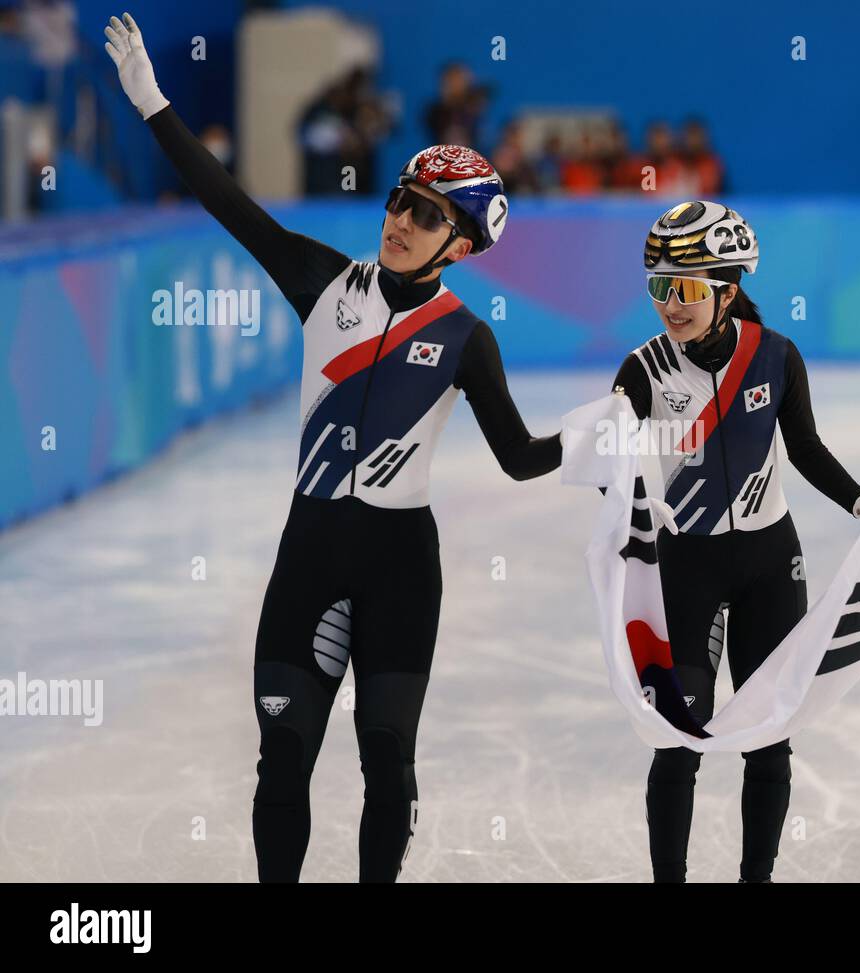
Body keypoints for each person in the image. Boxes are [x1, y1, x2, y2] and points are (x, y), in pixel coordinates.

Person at [105, 13, 560, 882]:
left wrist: (606, 438)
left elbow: (519, 457)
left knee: (386, 760)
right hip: (309, 551)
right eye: (399, 198)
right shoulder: (323, 281)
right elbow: (230, 205)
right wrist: (156, 106)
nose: (400, 219)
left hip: (399, 564)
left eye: (426, 215)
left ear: (459, 246)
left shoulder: (467, 338)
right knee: (283, 757)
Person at [614, 200, 860, 882]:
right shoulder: (642, 371)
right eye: (659, 288)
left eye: (687, 290)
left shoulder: (777, 357)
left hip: (770, 562)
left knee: (770, 743)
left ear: (728, 290)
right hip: (686, 569)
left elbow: (807, 449)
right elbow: (611, 471)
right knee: (680, 737)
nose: (671, 305)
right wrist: (624, 486)